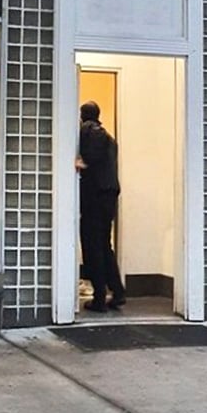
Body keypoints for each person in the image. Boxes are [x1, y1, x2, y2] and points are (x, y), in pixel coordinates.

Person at [76, 101, 126, 313]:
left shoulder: (89, 130)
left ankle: (99, 297)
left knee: (93, 246)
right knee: (105, 246)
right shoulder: (110, 138)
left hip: (94, 198)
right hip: (109, 196)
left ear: (82, 115)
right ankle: (117, 291)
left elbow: (91, 159)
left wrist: (82, 163)